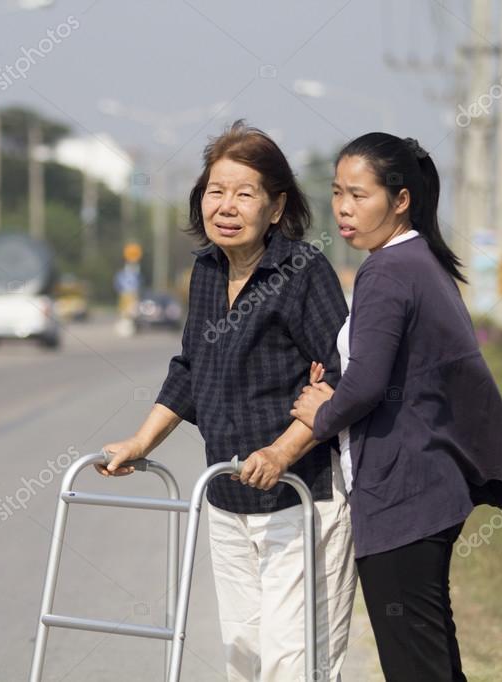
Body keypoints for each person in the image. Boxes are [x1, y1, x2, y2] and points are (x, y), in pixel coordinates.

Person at [101, 120, 356, 681]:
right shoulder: (208, 271)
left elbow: (342, 375)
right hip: (227, 495)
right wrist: (140, 442)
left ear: (275, 206)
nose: (227, 205)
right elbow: (192, 368)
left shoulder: (300, 270)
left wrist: (281, 453)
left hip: (301, 495)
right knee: (245, 655)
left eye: (245, 193)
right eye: (216, 191)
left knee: (298, 663)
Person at [291, 132, 502, 682]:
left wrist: (320, 412)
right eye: (338, 192)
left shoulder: (388, 269)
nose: (344, 208)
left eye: (360, 195)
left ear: (400, 200)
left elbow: (367, 384)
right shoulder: (419, 260)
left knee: (415, 667)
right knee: (430, 662)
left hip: (403, 498)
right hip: (424, 489)